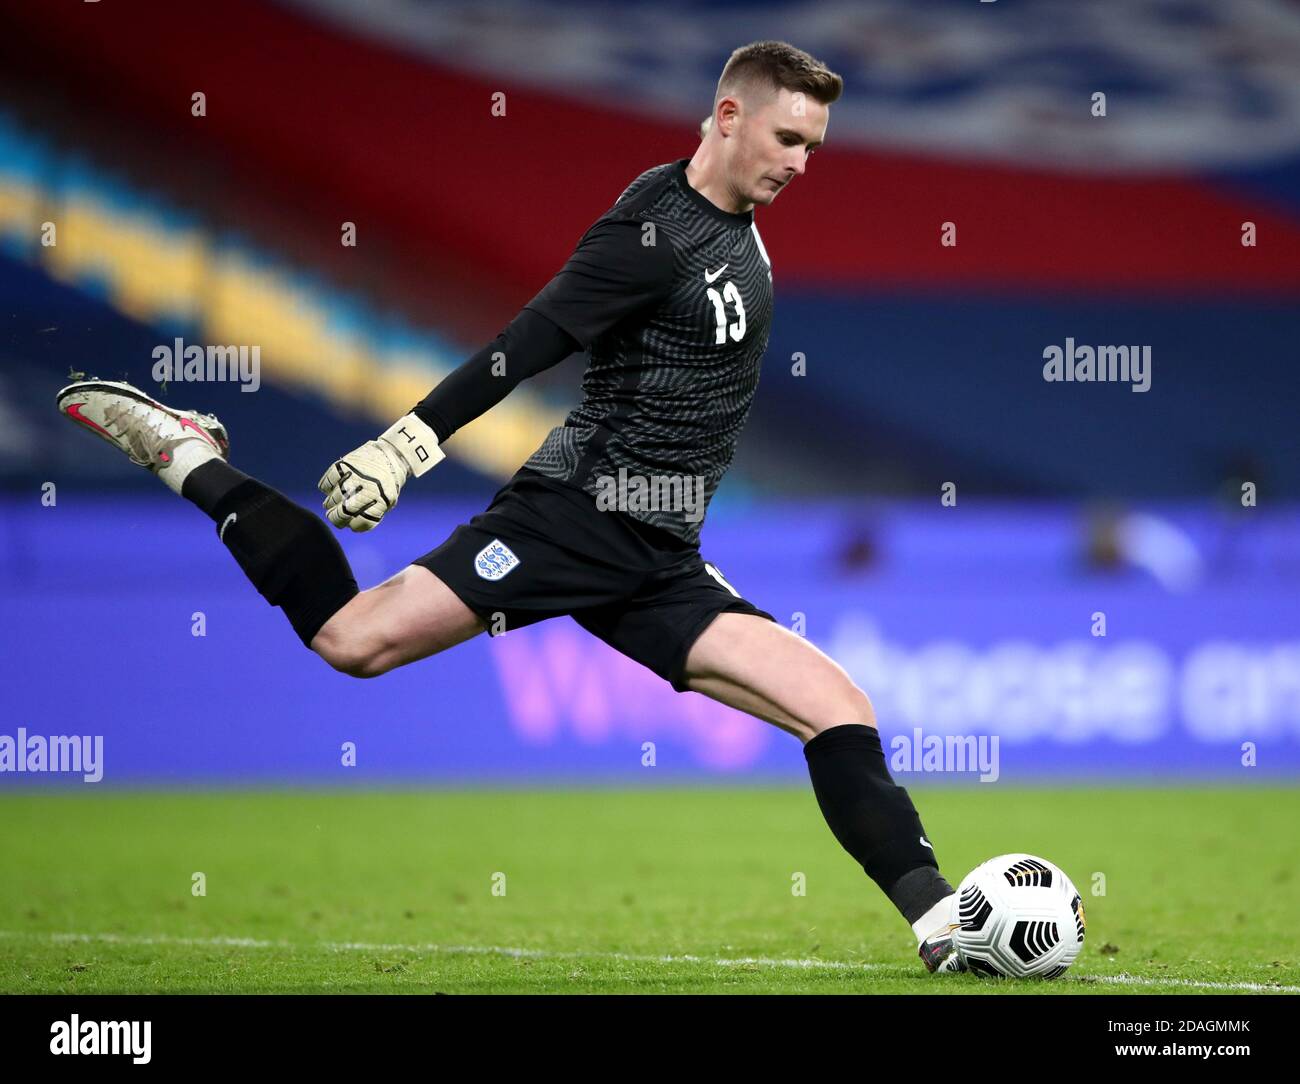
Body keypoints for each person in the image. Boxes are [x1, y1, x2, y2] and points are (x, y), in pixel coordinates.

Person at [57, 39, 964, 974]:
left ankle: (943, 926)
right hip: (574, 517)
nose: (800, 163)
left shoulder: (735, 219)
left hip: (661, 554)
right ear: (728, 116)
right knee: (353, 641)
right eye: (787, 139)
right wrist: (407, 444)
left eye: (813, 147)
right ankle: (192, 458)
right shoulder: (650, 234)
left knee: (836, 707)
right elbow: (526, 342)